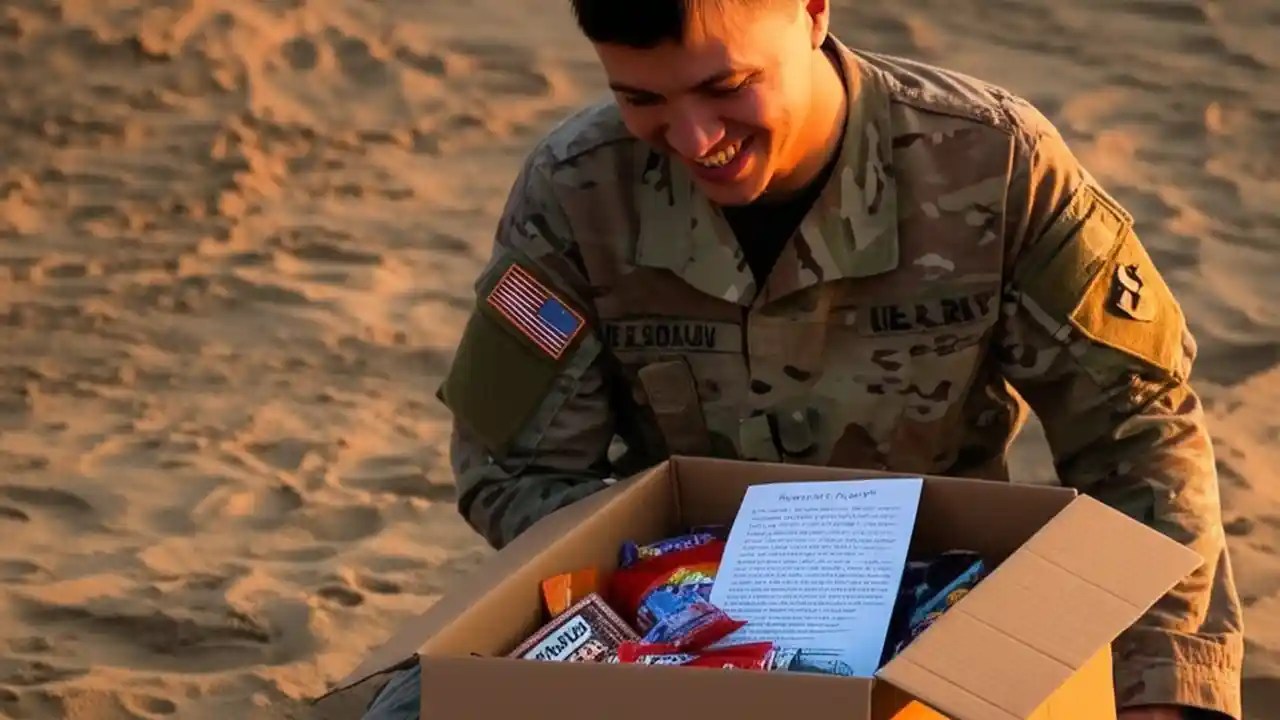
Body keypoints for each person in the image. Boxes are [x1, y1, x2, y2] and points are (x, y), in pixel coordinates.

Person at [364, 1, 1244, 718]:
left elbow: (1138, 433)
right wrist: (674, 614)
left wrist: (1157, 684)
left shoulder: (993, 163)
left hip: (938, 616)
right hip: (664, 622)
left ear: (814, 10)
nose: (694, 138)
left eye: (727, 86)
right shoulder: (575, 189)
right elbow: (515, 469)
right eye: (642, 100)